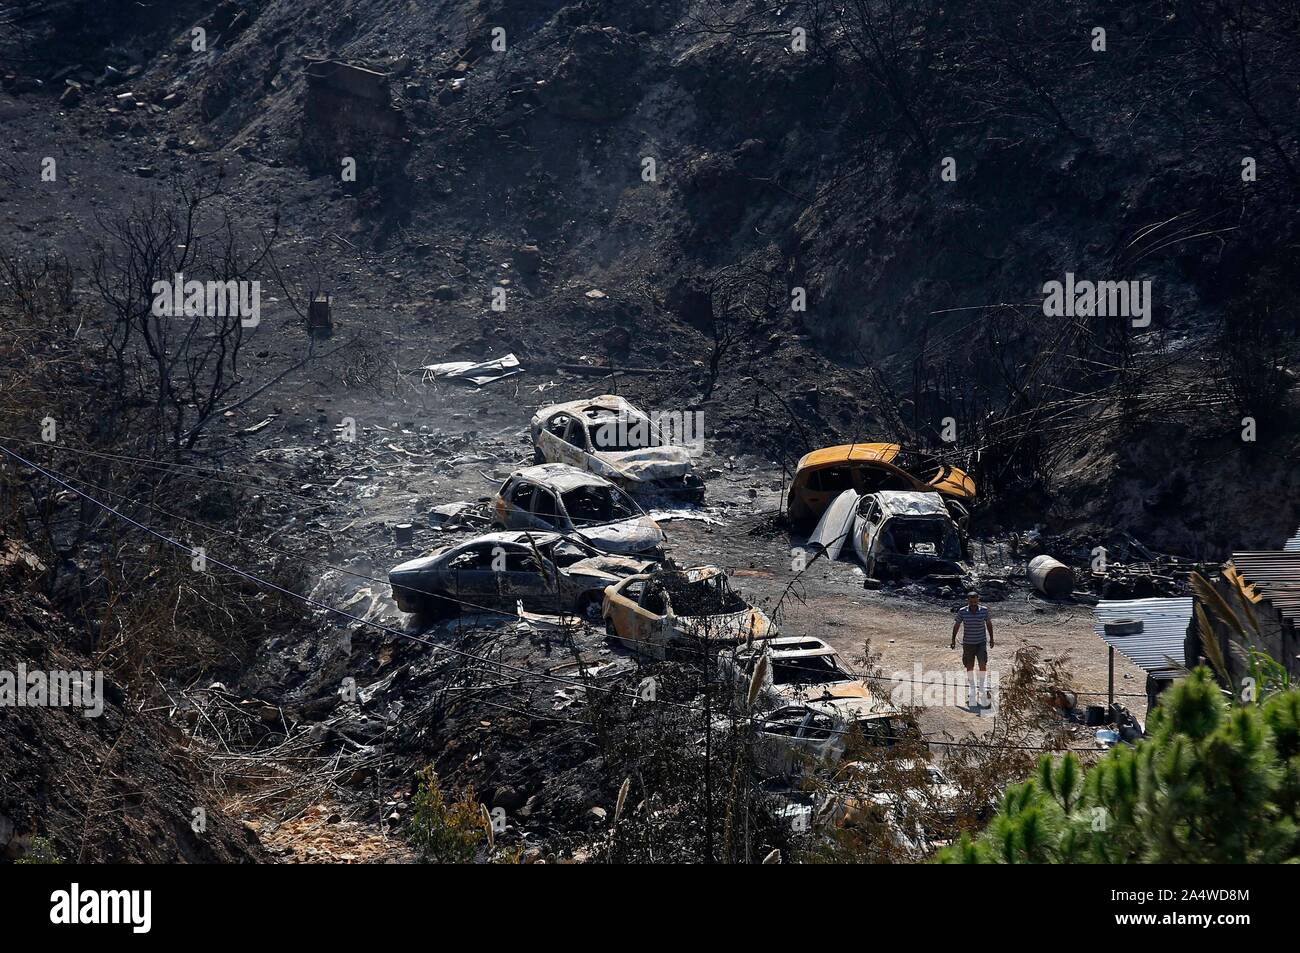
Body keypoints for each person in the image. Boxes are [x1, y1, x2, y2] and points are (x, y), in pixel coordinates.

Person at [951, 591, 994, 708]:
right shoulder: (962, 611)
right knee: (969, 666)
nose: (973, 603)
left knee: (982, 664)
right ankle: (972, 688)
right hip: (968, 644)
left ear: (978, 600)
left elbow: (989, 624)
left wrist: (992, 639)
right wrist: (953, 639)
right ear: (968, 601)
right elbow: (957, 625)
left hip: (981, 642)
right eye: (971, 601)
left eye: (975, 601)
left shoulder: (984, 610)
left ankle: (983, 686)